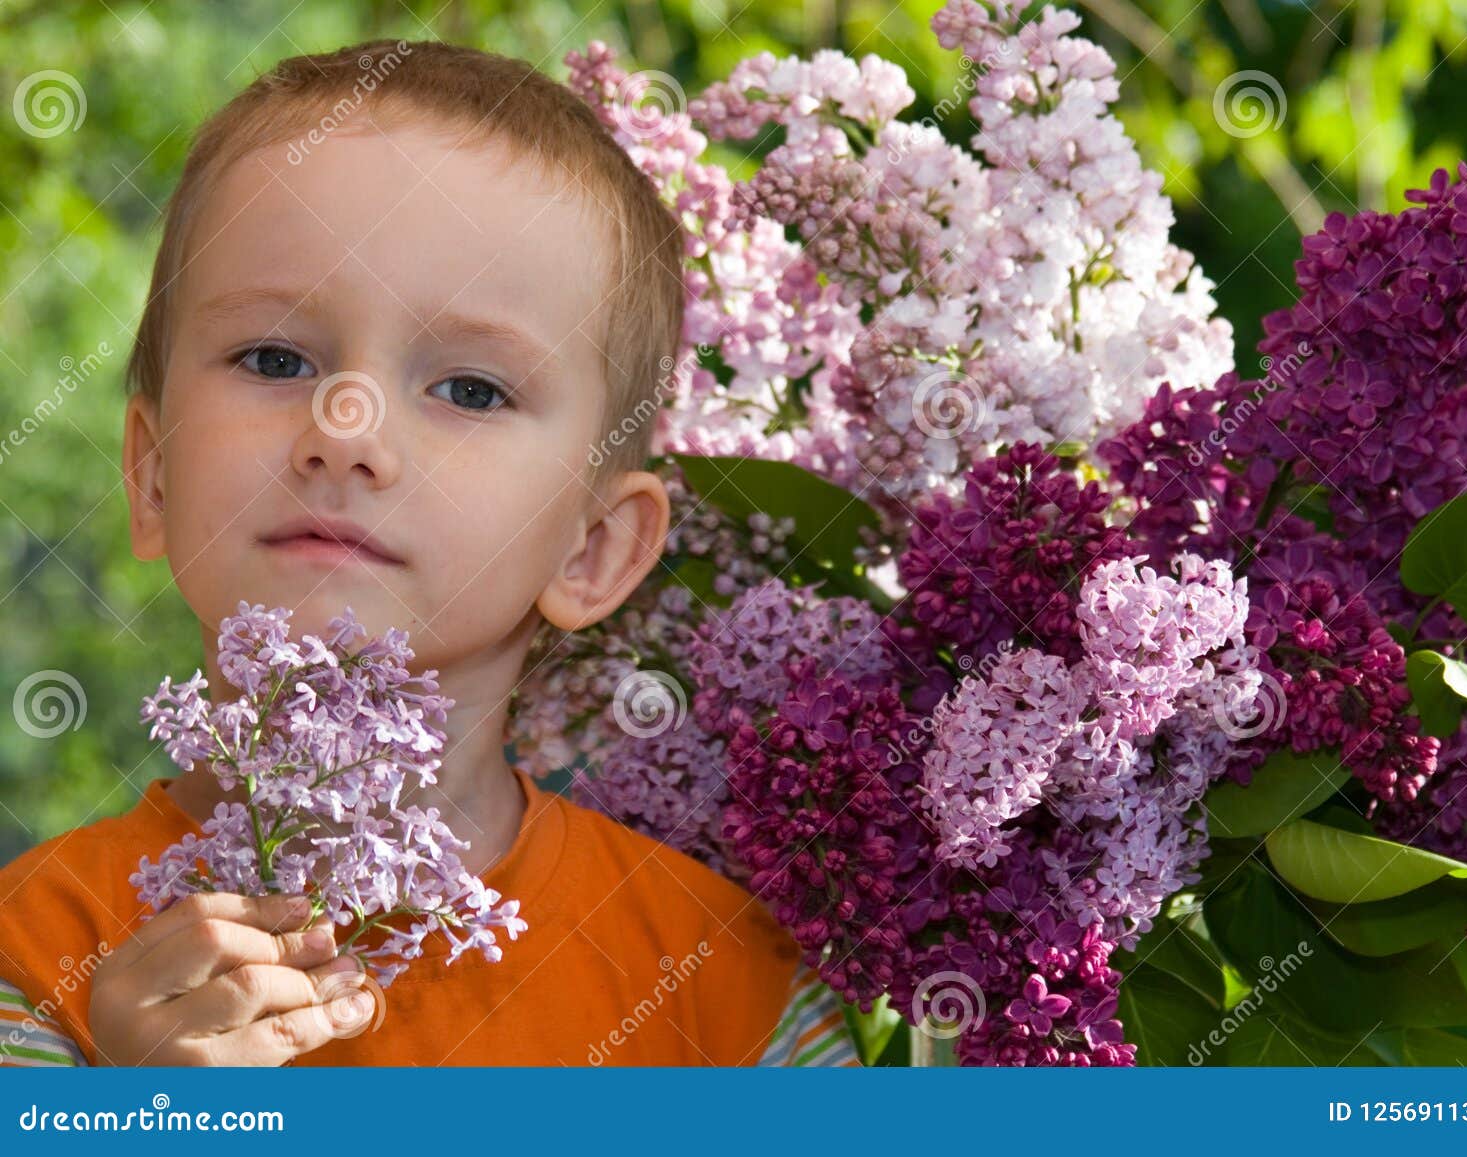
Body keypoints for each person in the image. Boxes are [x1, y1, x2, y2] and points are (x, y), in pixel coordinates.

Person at [0, 38, 857, 1068]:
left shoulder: (733, 993)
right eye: (275, 358)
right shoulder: (35, 960)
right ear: (152, 476)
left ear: (592, 548)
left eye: (469, 389)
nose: (346, 427)